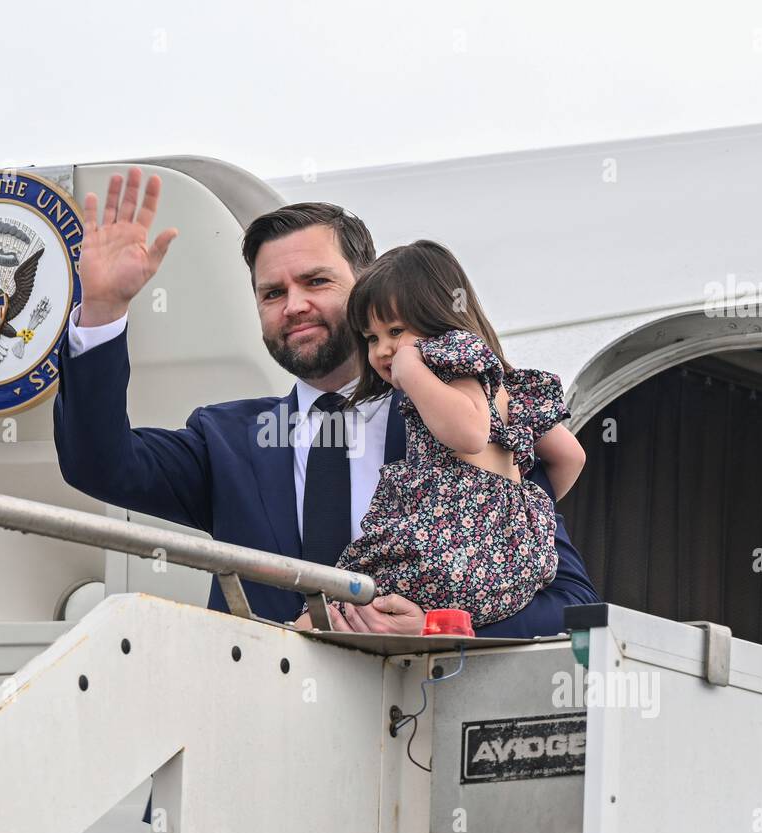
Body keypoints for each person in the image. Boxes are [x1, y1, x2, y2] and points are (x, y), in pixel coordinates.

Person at [53, 167, 599, 636]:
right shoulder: (225, 440)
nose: (294, 305)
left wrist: (441, 626)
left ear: (367, 288)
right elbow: (99, 464)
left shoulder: (459, 418)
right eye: (272, 293)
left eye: (316, 281)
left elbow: (570, 606)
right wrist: (101, 311)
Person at [293, 240, 585, 629]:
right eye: (372, 338)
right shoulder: (510, 391)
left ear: (438, 317)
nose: (383, 350)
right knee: (354, 614)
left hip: (448, 548)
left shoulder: (450, 359)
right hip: (508, 559)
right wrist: (523, 508)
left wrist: (412, 371)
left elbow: (469, 434)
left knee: (332, 609)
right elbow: (570, 456)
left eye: (395, 331)